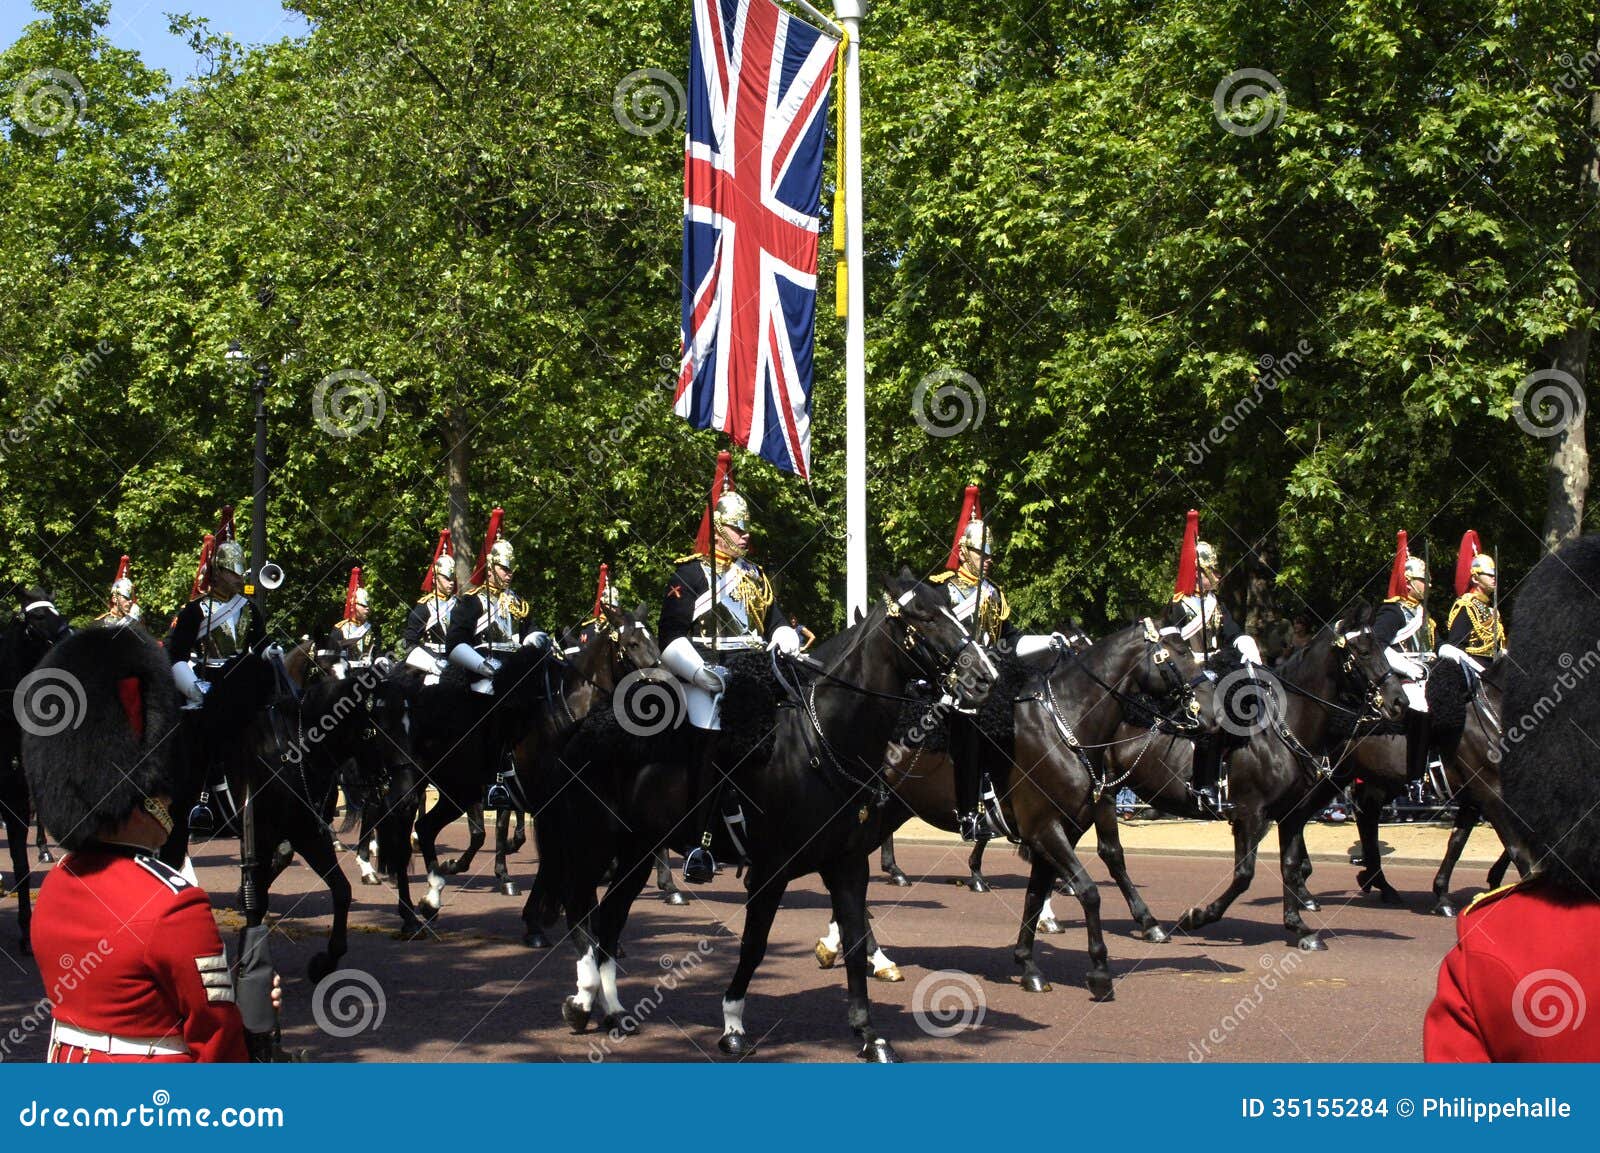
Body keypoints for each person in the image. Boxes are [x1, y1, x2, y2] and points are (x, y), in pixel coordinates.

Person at [23, 627, 279, 1062]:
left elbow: (130, 987)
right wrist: (245, 1012)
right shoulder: (173, 906)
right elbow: (216, 1045)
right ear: (142, 793)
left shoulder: (56, 888)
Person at [1424, 534, 1600, 1061]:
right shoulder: (1458, 609)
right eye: (1486, 574)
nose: (1491, 580)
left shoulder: (1492, 946)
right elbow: (1454, 646)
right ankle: (1428, 762)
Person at [660, 453, 798, 883]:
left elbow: (773, 620)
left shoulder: (756, 574)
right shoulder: (690, 574)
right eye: (738, 528)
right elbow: (670, 637)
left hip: (755, 672)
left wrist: (784, 636)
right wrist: (701, 673)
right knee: (711, 746)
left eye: (746, 528)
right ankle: (697, 842)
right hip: (708, 675)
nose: (745, 535)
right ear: (719, 528)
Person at [929, 485, 1067, 841]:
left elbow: (1010, 638)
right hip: (954, 675)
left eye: (989, 553)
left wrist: (1045, 642)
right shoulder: (944, 589)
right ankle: (967, 811)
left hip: (991, 673)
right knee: (970, 720)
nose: (988, 558)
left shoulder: (993, 592)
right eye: (981, 552)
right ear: (964, 552)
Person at [1163, 509, 1263, 813]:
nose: (1216, 577)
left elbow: (1231, 633)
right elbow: (1171, 644)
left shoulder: (1214, 603)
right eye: (1211, 572)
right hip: (1189, 674)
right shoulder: (1177, 606)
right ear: (1197, 573)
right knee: (1211, 717)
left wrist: (1246, 643)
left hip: (1217, 669)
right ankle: (1202, 785)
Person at [445, 509, 551, 689]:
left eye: (511, 569)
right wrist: (484, 667)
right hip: (483, 672)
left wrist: (535, 640)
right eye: (504, 569)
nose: (509, 574)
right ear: (490, 568)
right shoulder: (473, 601)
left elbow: (531, 630)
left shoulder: (517, 602)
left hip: (517, 671)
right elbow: (455, 643)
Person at [1371, 531, 1435, 782]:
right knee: (1421, 706)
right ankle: (1416, 774)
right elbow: (1377, 645)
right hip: (1401, 678)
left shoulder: (1424, 614)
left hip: (1428, 673)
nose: (1428, 584)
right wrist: (1407, 668)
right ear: (1408, 581)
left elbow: (1436, 646)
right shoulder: (1394, 611)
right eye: (1423, 579)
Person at [1441, 530, 1506, 665]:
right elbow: (1456, 646)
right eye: (1489, 575)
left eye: (1495, 575)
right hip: (1473, 668)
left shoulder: (1491, 609)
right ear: (1475, 578)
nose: (1494, 578)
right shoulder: (1467, 606)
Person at [403, 529, 456, 683]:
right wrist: (432, 665)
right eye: (446, 578)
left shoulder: (459, 605)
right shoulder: (424, 607)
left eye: (453, 578)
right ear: (435, 578)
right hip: (431, 664)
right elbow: (409, 643)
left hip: (458, 662)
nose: (451, 582)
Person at [323, 567, 380, 677]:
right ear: (354, 606)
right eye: (363, 606)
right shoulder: (340, 629)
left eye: (368, 606)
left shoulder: (373, 628)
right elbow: (333, 656)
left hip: (368, 674)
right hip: (347, 674)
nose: (367, 609)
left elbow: (378, 651)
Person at [92, 554, 143, 630]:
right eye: (126, 598)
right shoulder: (100, 624)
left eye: (131, 599)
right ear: (114, 599)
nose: (130, 602)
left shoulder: (135, 624)